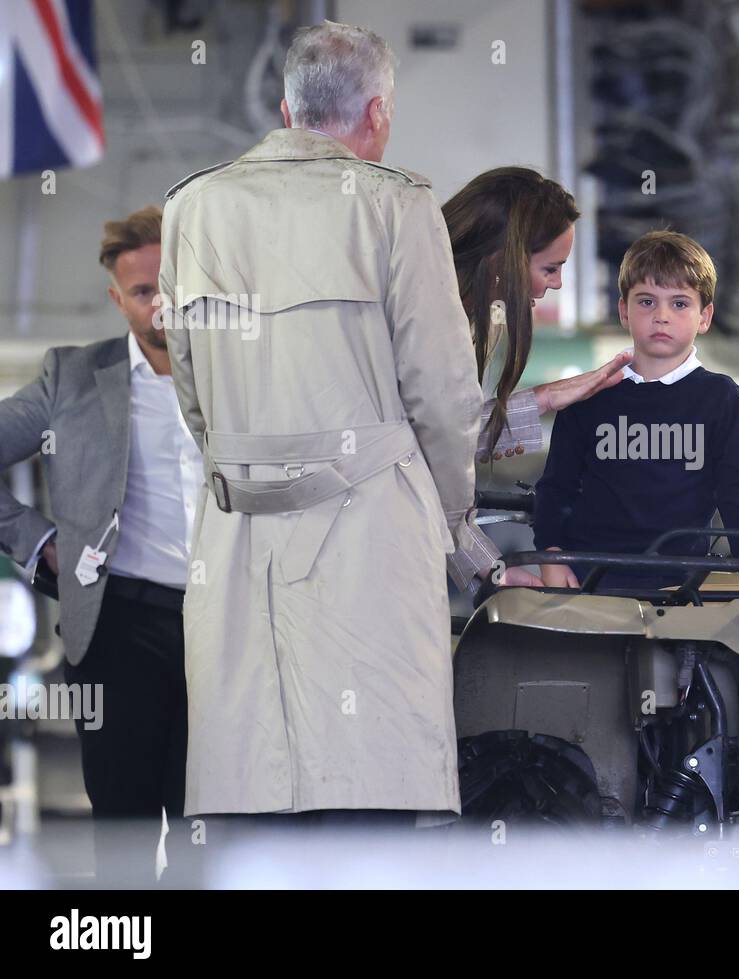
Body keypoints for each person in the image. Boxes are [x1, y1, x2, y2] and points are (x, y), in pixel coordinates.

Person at [159, 22, 482, 824]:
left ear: (285, 107)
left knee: (252, 784)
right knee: (370, 794)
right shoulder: (395, 204)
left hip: (238, 542)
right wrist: (453, 521)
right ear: (376, 113)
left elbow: (191, 389)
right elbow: (442, 393)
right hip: (369, 538)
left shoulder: (192, 207)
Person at [0, 206, 201, 883]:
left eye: (171, 284)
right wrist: (38, 540)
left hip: (226, 628)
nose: (161, 303)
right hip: (119, 626)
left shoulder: (245, 376)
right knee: (123, 830)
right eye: (143, 292)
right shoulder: (74, 377)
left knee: (211, 824)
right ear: (119, 299)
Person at [532, 230, 739, 590]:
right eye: (646, 302)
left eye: (679, 303)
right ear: (623, 311)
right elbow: (557, 487)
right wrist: (550, 555)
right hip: (590, 578)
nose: (661, 316)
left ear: (704, 317)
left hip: (681, 587)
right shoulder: (591, 393)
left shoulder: (720, 398)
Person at [441, 167, 632, 594]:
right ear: (503, 257)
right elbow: (429, 449)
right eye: (550, 268)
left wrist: (546, 398)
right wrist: (488, 567)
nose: (558, 283)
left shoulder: (454, 318)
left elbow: (433, 438)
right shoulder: (430, 324)